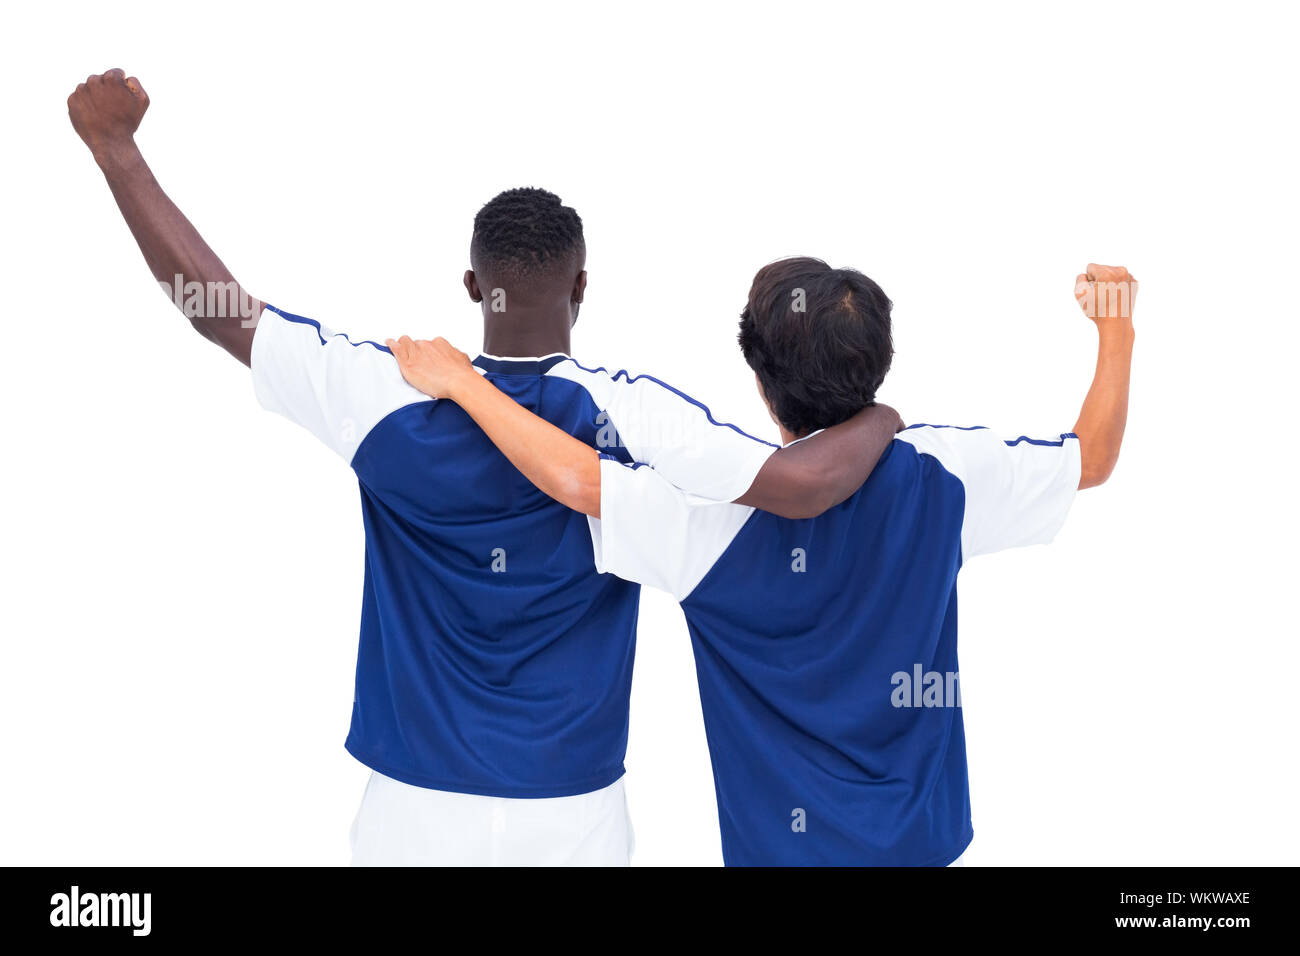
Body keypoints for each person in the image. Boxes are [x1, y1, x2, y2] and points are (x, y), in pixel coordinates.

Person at [67, 70, 902, 865]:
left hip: (412, 807)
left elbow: (219, 312)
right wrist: (884, 415)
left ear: (472, 284)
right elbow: (805, 485)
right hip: (571, 810)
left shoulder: (380, 394)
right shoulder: (636, 416)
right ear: (583, 286)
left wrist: (118, 151)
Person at [385, 257, 1137, 865]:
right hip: (926, 846)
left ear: (759, 378)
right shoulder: (948, 476)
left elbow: (576, 478)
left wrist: (463, 384)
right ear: (880, 363)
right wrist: (1115, 329)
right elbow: (1092, 458)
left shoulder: (707, 519)